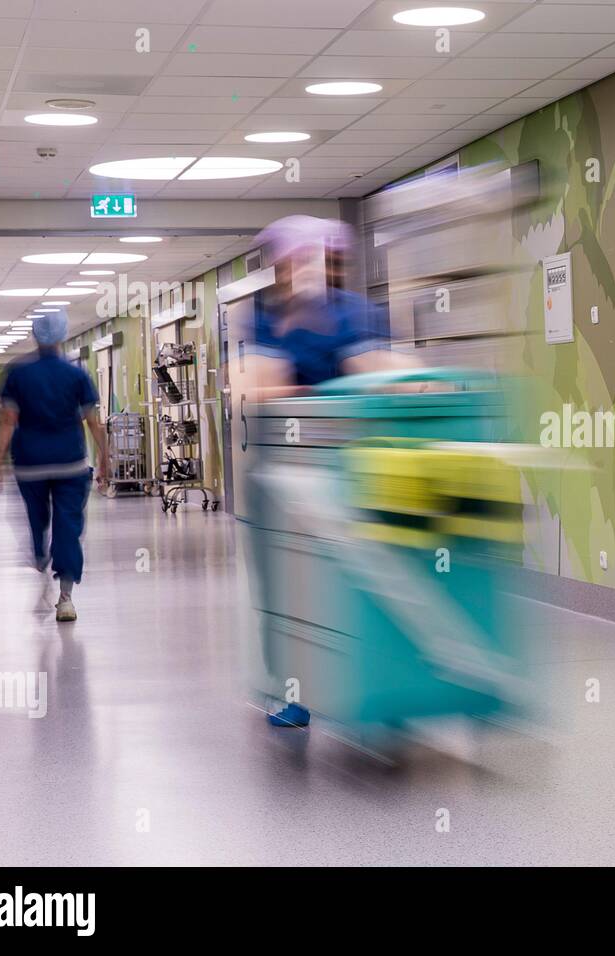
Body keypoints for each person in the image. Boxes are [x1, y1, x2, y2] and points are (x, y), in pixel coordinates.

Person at [244, 216, 419, 728]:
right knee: (294, 588)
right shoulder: (268, 318)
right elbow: (259, 391)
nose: (289, 270)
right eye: (284, 262)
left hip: (336, 475)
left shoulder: (352, 314)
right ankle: (302, 691)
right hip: (303, 476)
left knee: (339, 583)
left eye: (299, 259)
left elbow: (382, 377)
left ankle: (366, 687)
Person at [0, 310, 108, 622]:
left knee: (37, 518)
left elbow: (7, 419)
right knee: (68, 527)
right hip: (70, 462)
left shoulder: (17, 373)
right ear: (61, 336)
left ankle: (41, 555)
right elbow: (93, 422)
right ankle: (66, 598)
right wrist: (106, 458)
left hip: (30, 463)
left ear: (35, 335)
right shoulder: (76, 374)